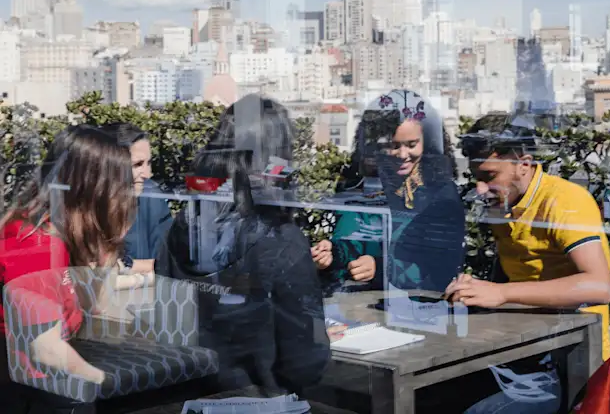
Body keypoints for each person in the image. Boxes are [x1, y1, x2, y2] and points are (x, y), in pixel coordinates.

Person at [155, 95, 330, 397]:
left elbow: (170, 321)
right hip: (260, 399)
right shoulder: (280, 240)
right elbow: (305, 364)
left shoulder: (181, 229)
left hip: (189, 395)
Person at [448, 113, 610, 414]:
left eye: (489, 177)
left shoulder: (564, 201)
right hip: (519, 345)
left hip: (567, 355)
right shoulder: (504, 203)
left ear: (524, 164)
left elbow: (599, 287)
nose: (481, 189)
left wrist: (502, 293)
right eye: (476, 178)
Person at [0, 125, 136, 414]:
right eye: (121, 184)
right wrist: (111, 380)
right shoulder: (34, 243)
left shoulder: (61, 236)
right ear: (93, 189)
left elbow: (94, 311)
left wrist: (106, 252)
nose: (127, 194)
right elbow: (45, 349)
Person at [311, 89, 465, 293]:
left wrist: (382, 268)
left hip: (423, 310)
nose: (402, 155)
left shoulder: (440, 194)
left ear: (426, 143)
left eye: (411, 145)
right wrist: (333, 255)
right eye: (393, 146)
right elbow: (353, 243)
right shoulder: (362, 189)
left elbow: (440, 265)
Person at [102, 123, 171, 283]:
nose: (148, 173)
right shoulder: (86, 209)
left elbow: (166, 263)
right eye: (137, 164)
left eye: (149, 163)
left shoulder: (151, 197)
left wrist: (124, 266)